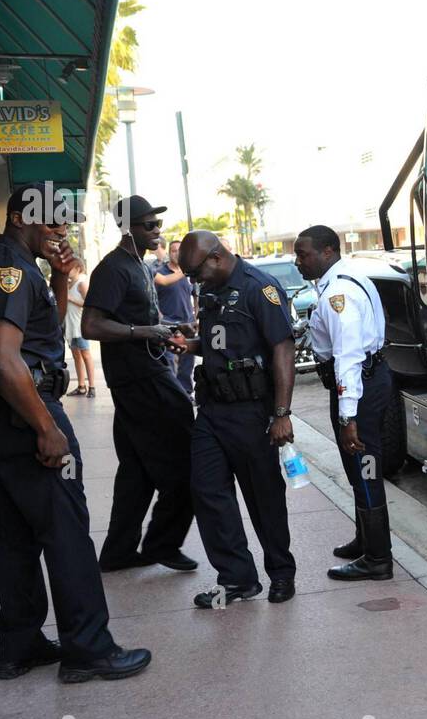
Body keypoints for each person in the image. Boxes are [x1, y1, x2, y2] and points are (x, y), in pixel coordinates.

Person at [0, 182, 150, 683]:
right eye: (50, 222)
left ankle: (19, 645)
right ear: (20, 218)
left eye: (65, 222)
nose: (60, 231)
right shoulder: (8, 271)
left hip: (3, 412)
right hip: (19, 410)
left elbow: (45, 335)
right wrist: (45, 427)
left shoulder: (11, 266)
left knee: (20, 531)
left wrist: (61, 279)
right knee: (66, 528)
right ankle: (89, 649)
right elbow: (2, 359)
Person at [175, 231, 298, 607]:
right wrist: (188, 344)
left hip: (252, 412)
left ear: (215, 257)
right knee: (208, 492)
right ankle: (237, 579)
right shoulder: (211, 291)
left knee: (264, 497)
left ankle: (281, 573)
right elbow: (219, 345)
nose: (195, 282)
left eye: (196, 273)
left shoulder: (259, 288)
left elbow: (282, 348)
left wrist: (281, 414)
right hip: (213, 411)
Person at [81, 195, 196, 573]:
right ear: (127, 228)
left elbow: (145, 315)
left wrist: (172, 327)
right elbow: (91, 325)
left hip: (146, 373)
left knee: (136, 473)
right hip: (141, 381)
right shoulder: (113, 269)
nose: (157, 231)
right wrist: (144, 331)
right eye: (149, 225)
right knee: (188, 461)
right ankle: (163, 543)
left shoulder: (142, 267)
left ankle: (117, 553)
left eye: (158, 224)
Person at [294, 225, 393, 581]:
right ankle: (366, 539)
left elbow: (347, 355)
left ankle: (378, 559)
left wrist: (348, 414)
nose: (297, 262)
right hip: (371, 378)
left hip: (358, 386)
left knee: (364, 465)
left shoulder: (339, 293)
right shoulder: (347, 277)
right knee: (358, 467)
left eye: (303, 254)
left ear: (327, 252)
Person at [153, 238, 196, 394]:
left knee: (187, 362)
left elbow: (195, 294)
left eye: (180, 250)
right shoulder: (159, 272)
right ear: (168, 252)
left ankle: (186, 392)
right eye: (173, 250)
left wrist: (196, 317)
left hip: (188, 324)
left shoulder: (190, 274)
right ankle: (172, 393)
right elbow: (154, 296)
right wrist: (160, 316)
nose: (176, 253)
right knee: (169, 360)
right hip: (168, 325)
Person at [64, 261, 96, 397]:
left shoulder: (82, 283)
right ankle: (81, 385)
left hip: (79, 325)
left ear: (78, 269)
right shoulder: (68, 283)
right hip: (70, 325)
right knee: (76, 355)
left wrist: (70, 298)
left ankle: (92, 386)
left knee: (86, 355)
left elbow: (89, 303)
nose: (68, 270)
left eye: (70, 268)